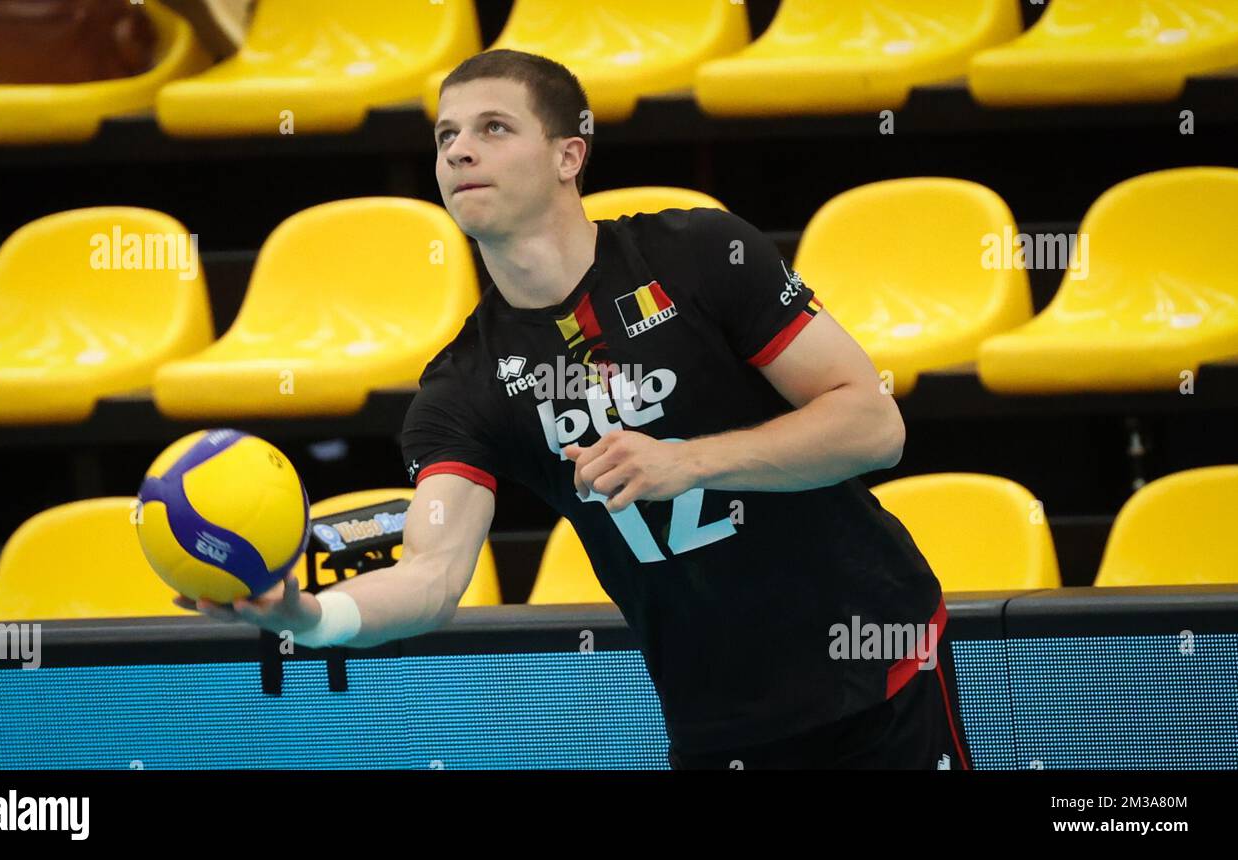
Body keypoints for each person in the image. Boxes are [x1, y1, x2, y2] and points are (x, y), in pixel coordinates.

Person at [179, 49, 972, 770]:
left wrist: (686, 460)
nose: (459, 150)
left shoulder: (700, 254)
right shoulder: (464, 385)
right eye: (447, 135)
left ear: (569, 155)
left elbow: (873, 425)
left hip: (884, 672)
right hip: (722, 728)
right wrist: (308, 615)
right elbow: (432, 574)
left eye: (493, 127)